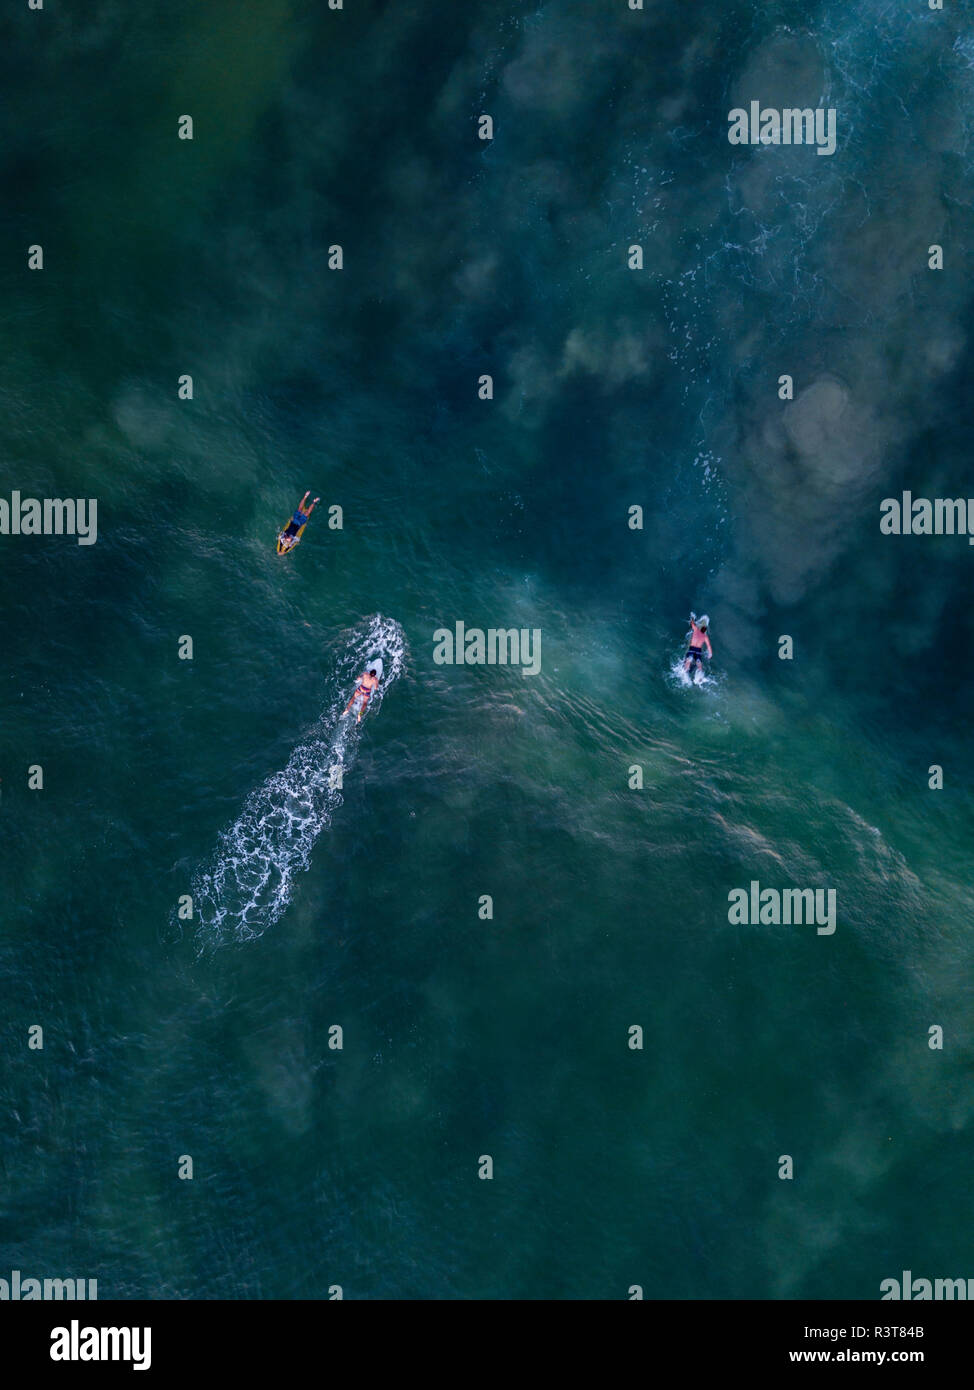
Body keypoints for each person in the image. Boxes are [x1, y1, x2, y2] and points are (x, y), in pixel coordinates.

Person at [684, 612, 713, 677]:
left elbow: (692, 624)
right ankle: (700, 677)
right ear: (705, 631)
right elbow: (708, 646)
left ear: (700, 628)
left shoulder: (696, 630)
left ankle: (684, 673)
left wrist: (692, 619)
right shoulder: (705, 637)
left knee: (688, 660)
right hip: (698, 651)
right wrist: (710, 654)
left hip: (692, 649)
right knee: (699, 665)